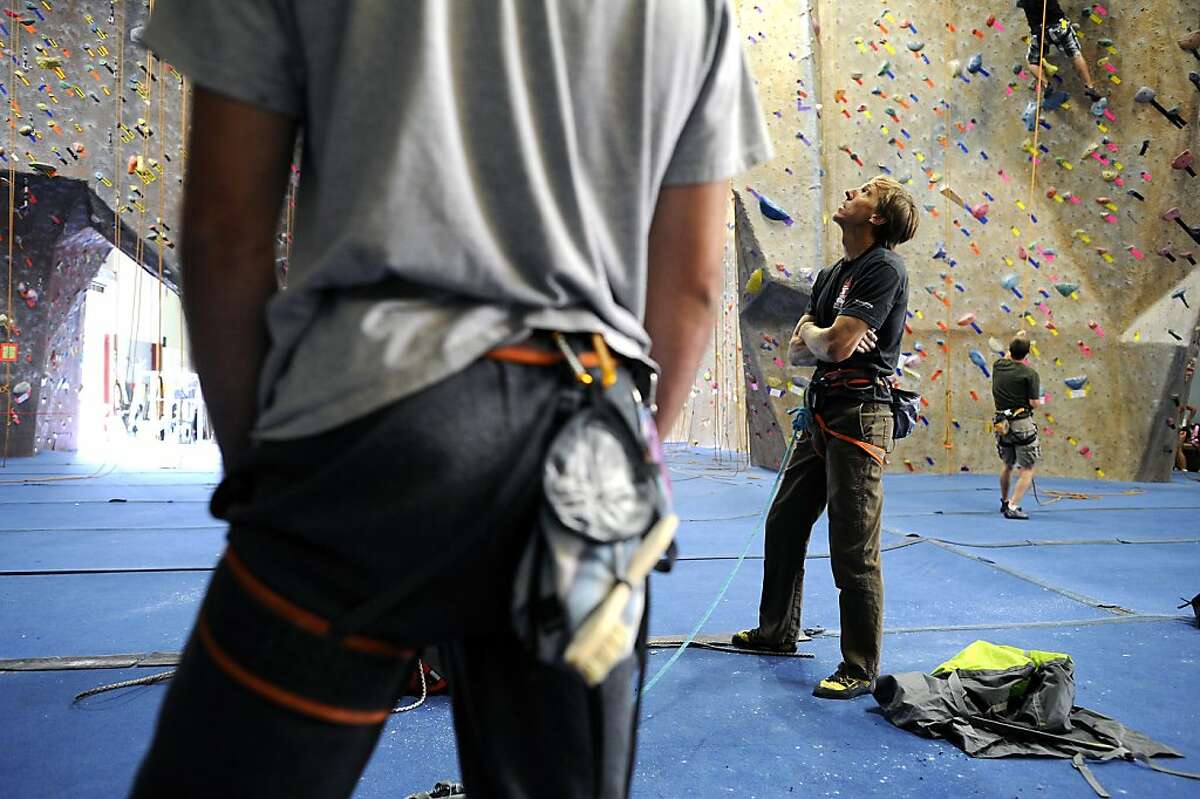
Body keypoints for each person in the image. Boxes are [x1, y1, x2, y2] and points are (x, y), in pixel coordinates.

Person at [132, 2, 772, 797]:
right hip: (586, 446)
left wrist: (262, 472)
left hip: (366, 426)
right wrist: (617, 462)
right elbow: (691, 286)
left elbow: (227, 232)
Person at [732, 177, 917, 701]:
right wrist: (824, 336)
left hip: (861, 416)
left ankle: (859, 666)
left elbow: (830, 345)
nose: (849, 193)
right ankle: (775, 633)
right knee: (785, 521)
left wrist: (824, 336)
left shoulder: (882, 267)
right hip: (821, 413)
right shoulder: (834, 274)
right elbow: (800, 352)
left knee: (852, 545)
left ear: (877, 218)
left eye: (862, 192)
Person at [992, 332, 1043, 520]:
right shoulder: (1030, 374)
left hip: (1002, 424)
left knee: (1007, 464)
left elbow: (1007, 355)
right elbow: (1034, 402)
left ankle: (1005, 501)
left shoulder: (998, 366)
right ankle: (1014, 506)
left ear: (1010, 350)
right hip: (1021, 424)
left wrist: (1017, 337)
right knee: (1027, 468)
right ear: (1027, 354)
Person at [1017, 0, 1104, 101]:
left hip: (1040, 34)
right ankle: (1090, 86)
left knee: (1031, 61)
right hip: (1059, 24)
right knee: (1075, 53)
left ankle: (1046, 84)